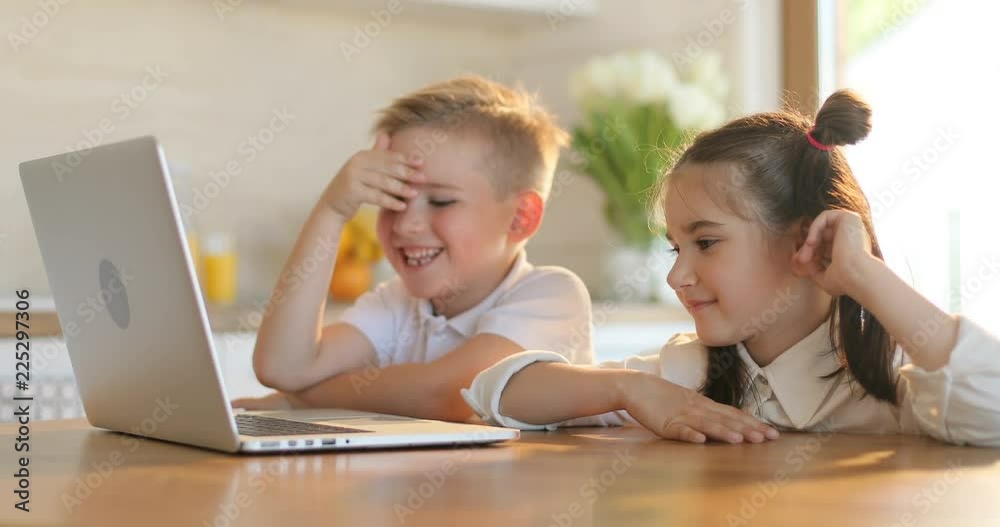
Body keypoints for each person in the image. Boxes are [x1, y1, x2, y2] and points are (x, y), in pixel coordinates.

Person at [462, 89, 1000, 446]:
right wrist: (627, 389)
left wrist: (863, 273)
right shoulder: (690, 377)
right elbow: (498, 392)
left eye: (707, 243)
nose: (677, 277)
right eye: (677, 248)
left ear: (806, 240)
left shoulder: (893, 383)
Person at [234, 76, 593, 422]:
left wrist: (302, 400)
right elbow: (283, 367)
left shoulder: (551, 296)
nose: (406, 225)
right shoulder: (397, 303)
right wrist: (333, 210)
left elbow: (447, 395)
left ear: (520, 217)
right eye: (393, 199)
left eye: (440, 201)